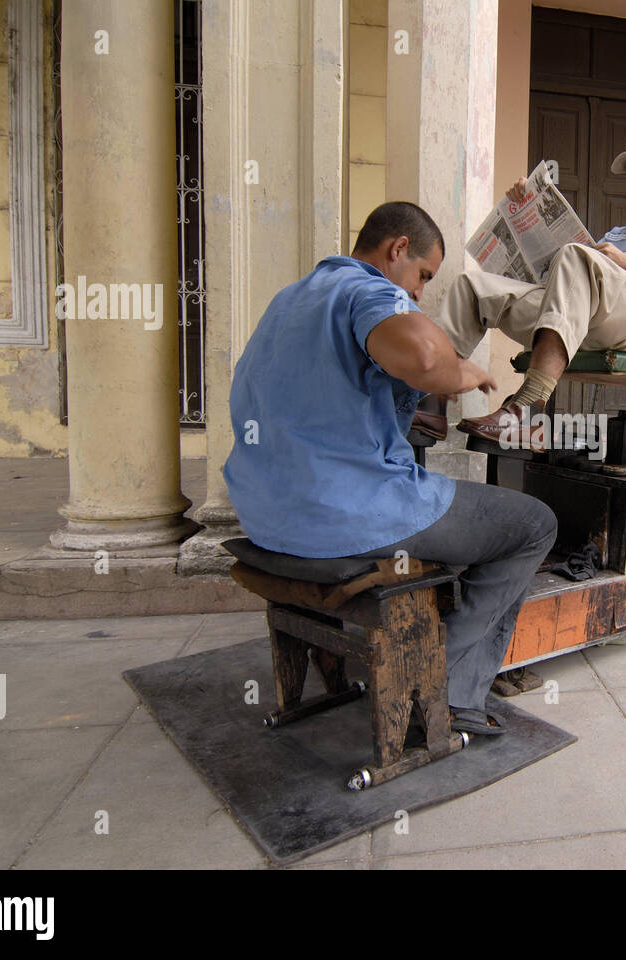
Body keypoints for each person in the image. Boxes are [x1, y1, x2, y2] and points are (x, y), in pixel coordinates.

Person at [223, 202, 557, 736]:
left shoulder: (285, 302)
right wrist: (462, 372)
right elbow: (423, 358)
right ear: (397, 249)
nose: (420, 292)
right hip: (340, 517)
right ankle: (445, 690)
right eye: (423, 275)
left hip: (264, 514)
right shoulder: (369, 289)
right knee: (532, 524)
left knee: (454, 506)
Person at [426, 130, 626, 447]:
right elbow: (570, 281)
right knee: (474, 286)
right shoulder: (620, 233)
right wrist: (526, 208)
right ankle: (430, 403)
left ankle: (528, 410)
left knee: (576, 255)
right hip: (580, 318)